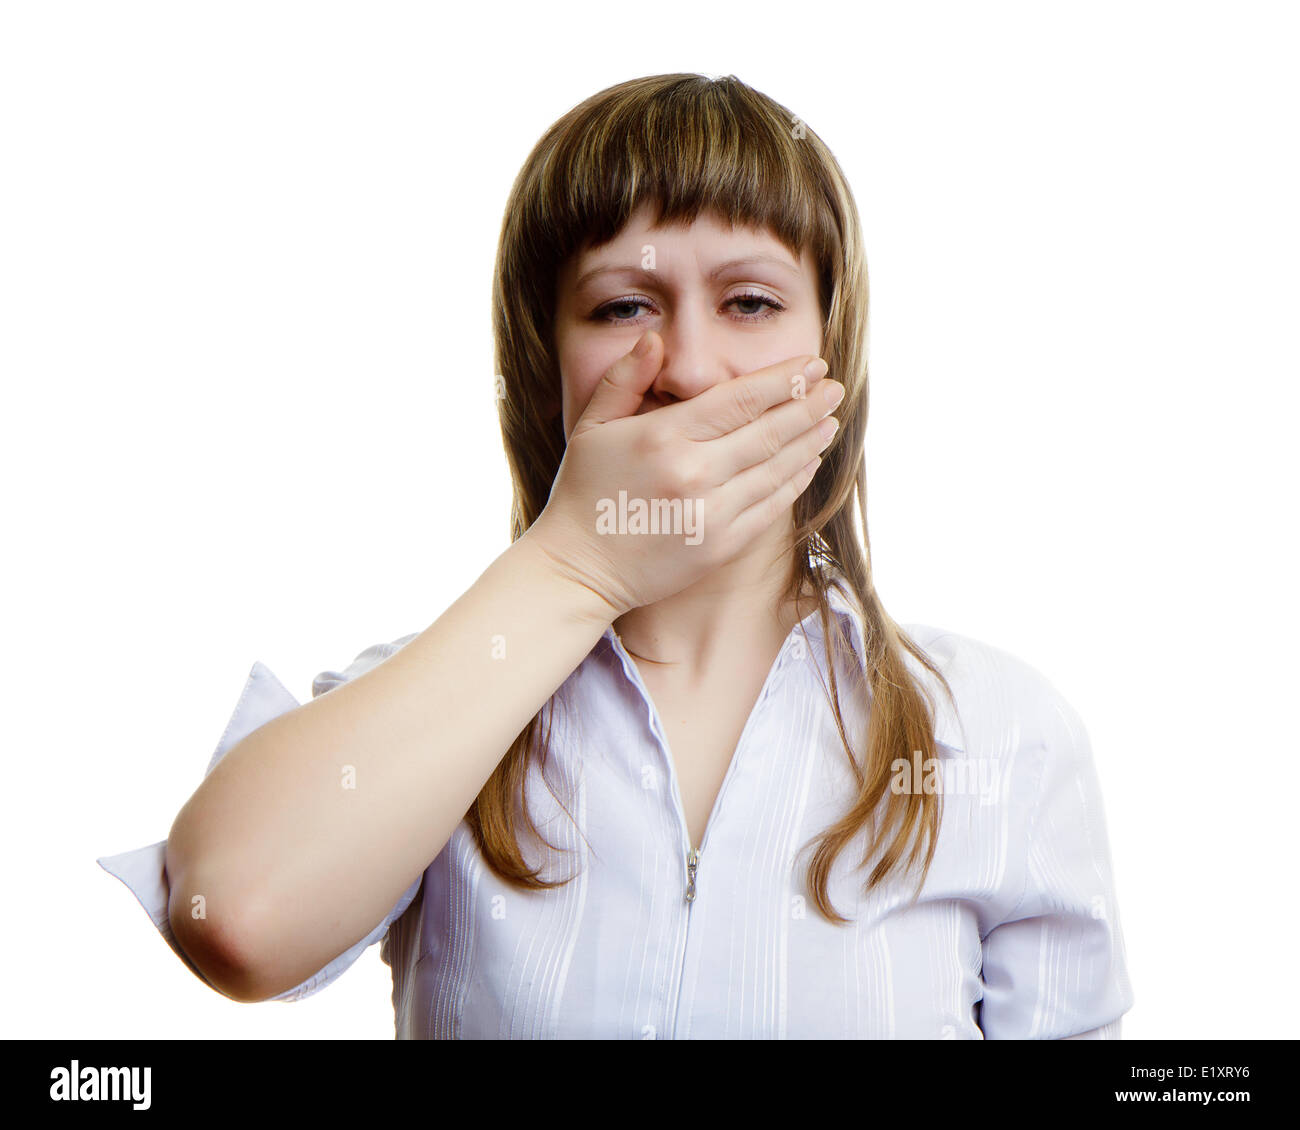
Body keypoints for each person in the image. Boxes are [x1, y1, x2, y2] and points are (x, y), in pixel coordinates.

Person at [98, 72, 1134, 1039]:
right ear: (546, 357)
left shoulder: (1000, 734)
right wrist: (579, 561)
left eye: (751, 301)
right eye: (622, 307)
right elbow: (231, 910)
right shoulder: (443, 702)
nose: (684, 366)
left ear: (834, 353)